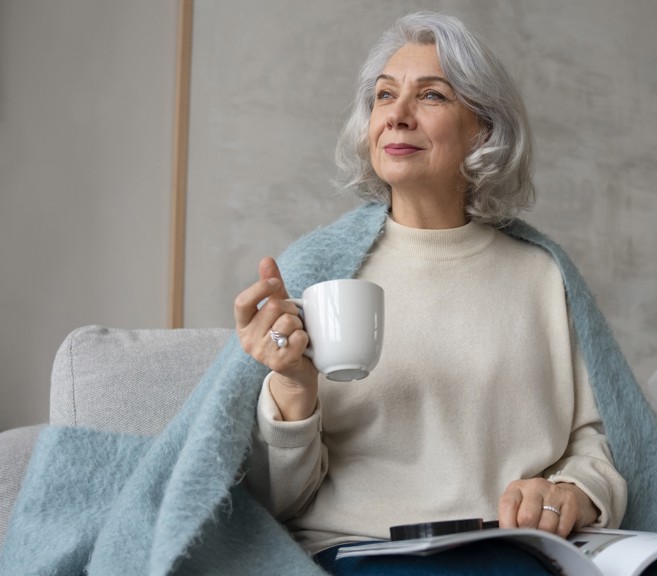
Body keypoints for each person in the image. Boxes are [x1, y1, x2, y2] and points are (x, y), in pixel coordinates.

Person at [233, 11, 635, 575]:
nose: (396, 116)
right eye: (383, 96)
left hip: (515, 549)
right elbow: (275, 504)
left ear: (484, 130)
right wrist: (294, 388)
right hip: (363, 552)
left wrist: (574, 489)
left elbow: (595, 435)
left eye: (431, 96)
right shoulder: (316, 275)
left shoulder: (543, 275)